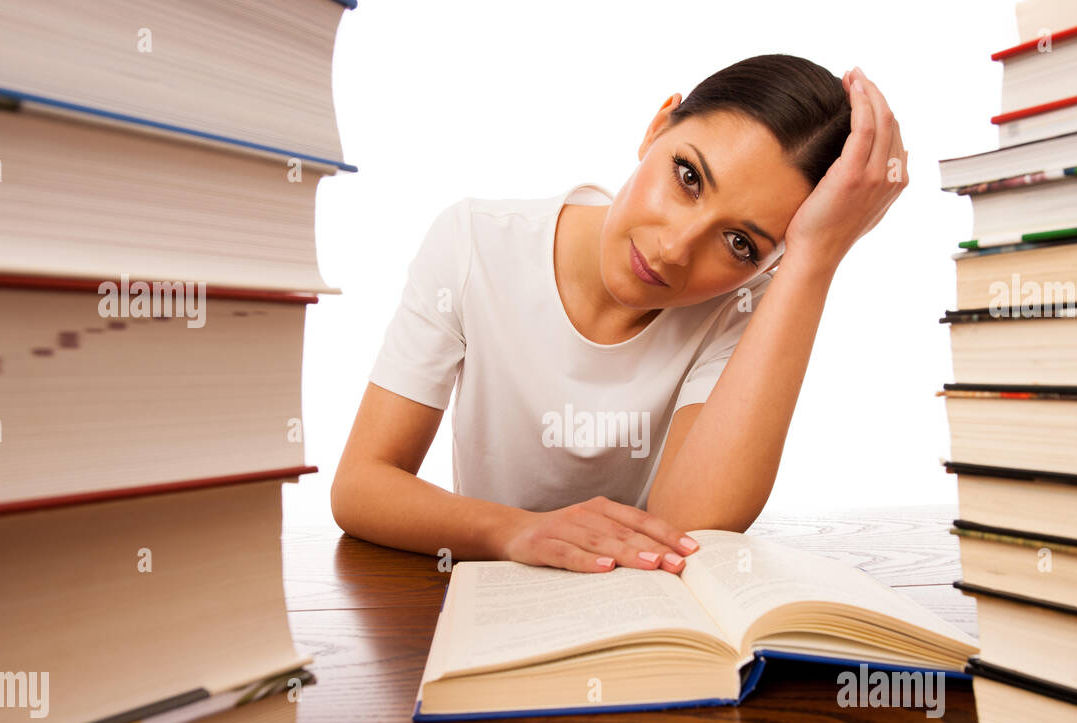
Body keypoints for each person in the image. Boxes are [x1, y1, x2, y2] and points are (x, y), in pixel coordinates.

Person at [332, 55, 907, 576]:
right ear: (658, 126)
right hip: (487, 604)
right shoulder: (474, 243)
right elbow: (360, 485)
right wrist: (515, 530)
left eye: (739, 243)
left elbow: (694, 520)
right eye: (688, 178)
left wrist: (814, 260)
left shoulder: (745, 306)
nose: (675, 249)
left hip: (636, 622)